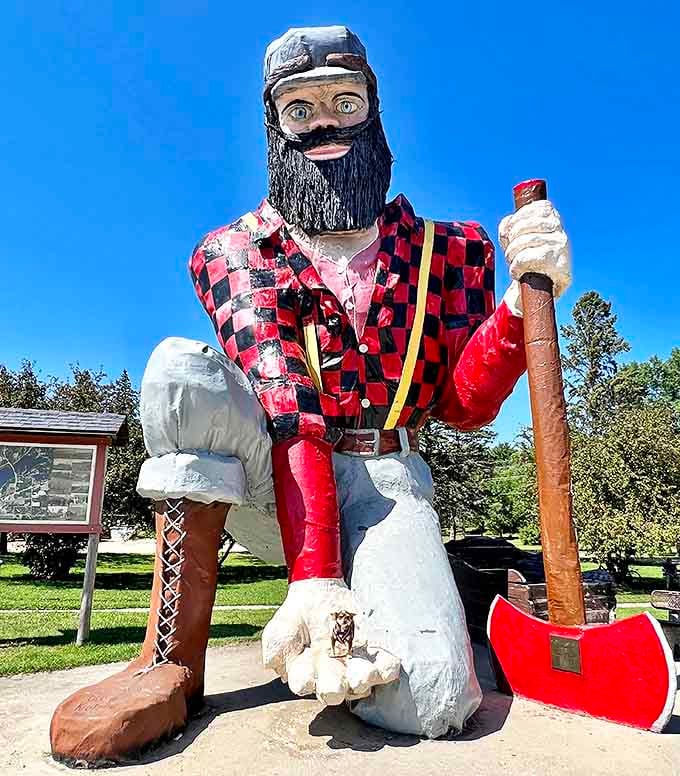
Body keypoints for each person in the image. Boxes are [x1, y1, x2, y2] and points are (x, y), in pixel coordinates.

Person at [50, 25, 571, 765]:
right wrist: (316, 578)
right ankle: (169, 658)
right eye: (300, 108)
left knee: (430, 701)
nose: (324, 123)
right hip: (273, 482)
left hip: (388, 482)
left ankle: (419, 601)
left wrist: (522, 306)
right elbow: (289, 404)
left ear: (375, 114)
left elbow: (463, 406)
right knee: (179, 371)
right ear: (275, 124)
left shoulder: (453, 252)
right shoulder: (232, 251)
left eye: (344, 100)